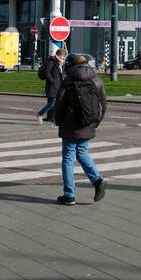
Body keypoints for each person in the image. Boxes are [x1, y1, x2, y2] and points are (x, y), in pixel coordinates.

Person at [51, 53, 106, 206]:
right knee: (82, 153)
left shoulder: (67, 82)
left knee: (68, 158)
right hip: (88, 125)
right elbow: (104, 106)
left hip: (70, 127)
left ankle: (69, 194)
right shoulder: (97, 81)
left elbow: (59, 105)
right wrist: (95, 122)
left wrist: (58, 120)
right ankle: (97, 180)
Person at [37, 47, 66, 123]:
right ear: (59, 55)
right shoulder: (52, 61)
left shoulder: (60, 62)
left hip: (58, 85)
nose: (64, 57)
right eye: (63, 56)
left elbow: (61, 73)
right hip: (52, 85)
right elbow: (47, 72)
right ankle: (40, 114)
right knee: (53, 103)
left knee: (51, 101)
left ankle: (50, 118)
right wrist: (52, 80)